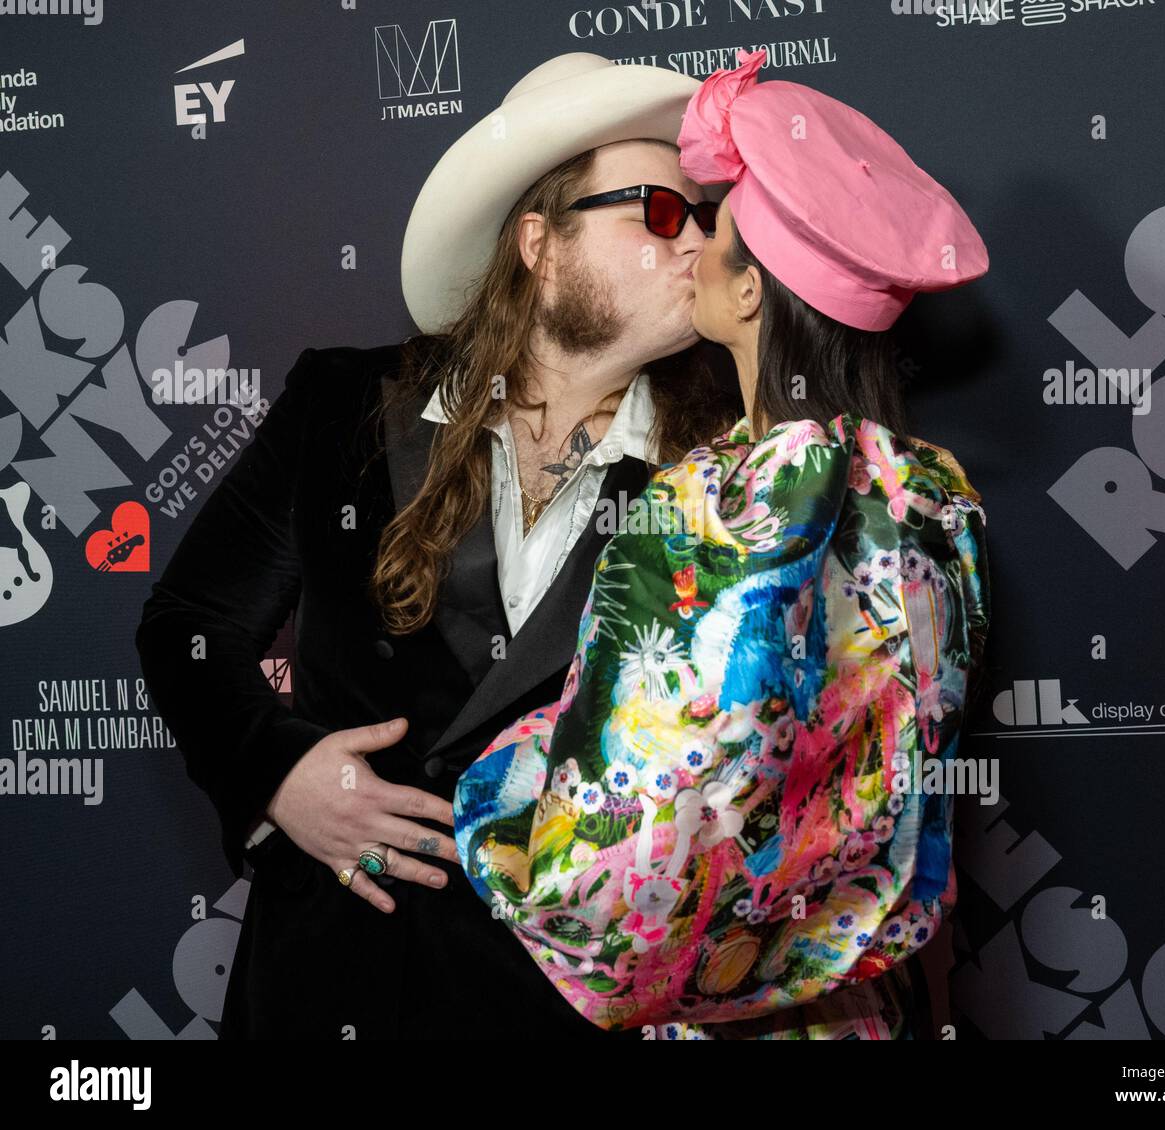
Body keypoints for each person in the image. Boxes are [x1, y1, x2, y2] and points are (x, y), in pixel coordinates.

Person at [134, 52, 742, 1039]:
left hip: (575, 1001)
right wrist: (280, 774)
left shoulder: (729, 467)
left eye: (706, 219)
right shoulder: (345, 405)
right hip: (339, 976)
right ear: (540, 245)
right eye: (661, 214)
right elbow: (189, 624)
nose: (696, 244)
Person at [452, 48, 993, 1040]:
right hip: (863, 1013)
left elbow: (612, 879)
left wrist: (488, 805)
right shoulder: (936, 494)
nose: (691, 246)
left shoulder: (704, 506)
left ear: (749, 294)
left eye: (715, 230)